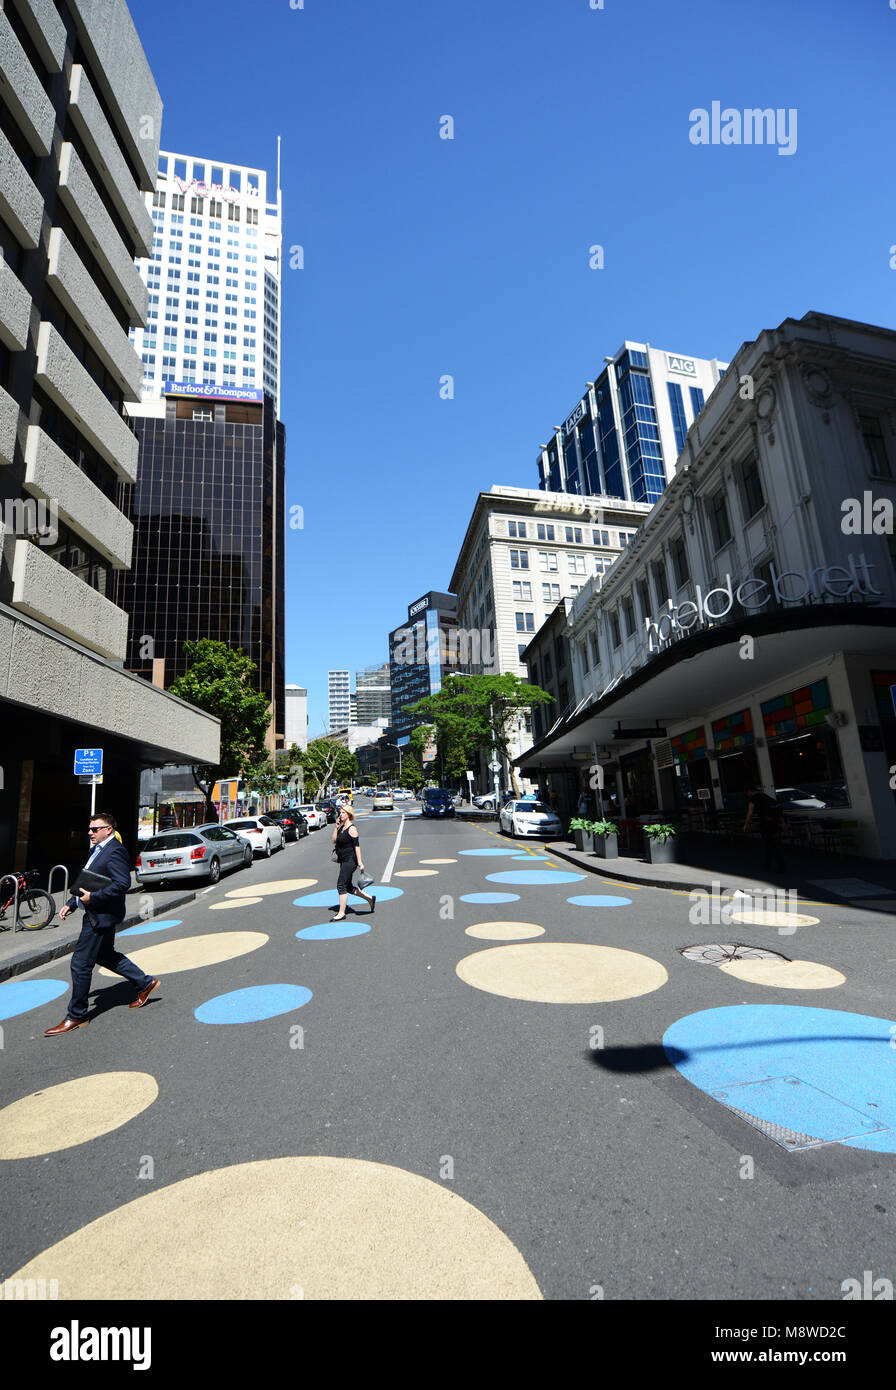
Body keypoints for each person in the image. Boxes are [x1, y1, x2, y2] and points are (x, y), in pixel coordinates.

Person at [44, 812, 160, 1036]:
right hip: (96, 912)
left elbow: (122, 883)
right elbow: (89, 879)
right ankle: (145, 983)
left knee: (80, 963)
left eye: (94, 829)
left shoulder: (115, 851)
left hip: (101, 916)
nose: (90, 832)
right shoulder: (98, 849)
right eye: (89, 829)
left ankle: (76, 1015)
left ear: (108, 829)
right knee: (105, 954)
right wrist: (73, 902)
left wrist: (92, 899)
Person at [330, 804, 375, 920]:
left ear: (349, 815)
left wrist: (360, 863)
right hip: (343, 860)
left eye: (343, 812)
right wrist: (336, 827)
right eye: (340, 812)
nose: (341, 814)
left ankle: (341, 913)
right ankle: (370, 899)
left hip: (350, 861)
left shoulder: (352, 829)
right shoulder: (341, 828)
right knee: (348, 887)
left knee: (341, 885)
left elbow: (357, 847)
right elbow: (333, 841)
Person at [743, 784, 786, 871]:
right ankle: (768, 863)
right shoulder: (765, 796)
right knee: (770, 843)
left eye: (747, 792)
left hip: (765, 823)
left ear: (749, 791)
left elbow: (750, 813)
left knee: (770, 844)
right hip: (774, 822)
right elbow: (777, 808)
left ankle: (780, 865)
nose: (747, 794)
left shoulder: (753, 799)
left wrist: (745, 825)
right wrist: (783, 823)